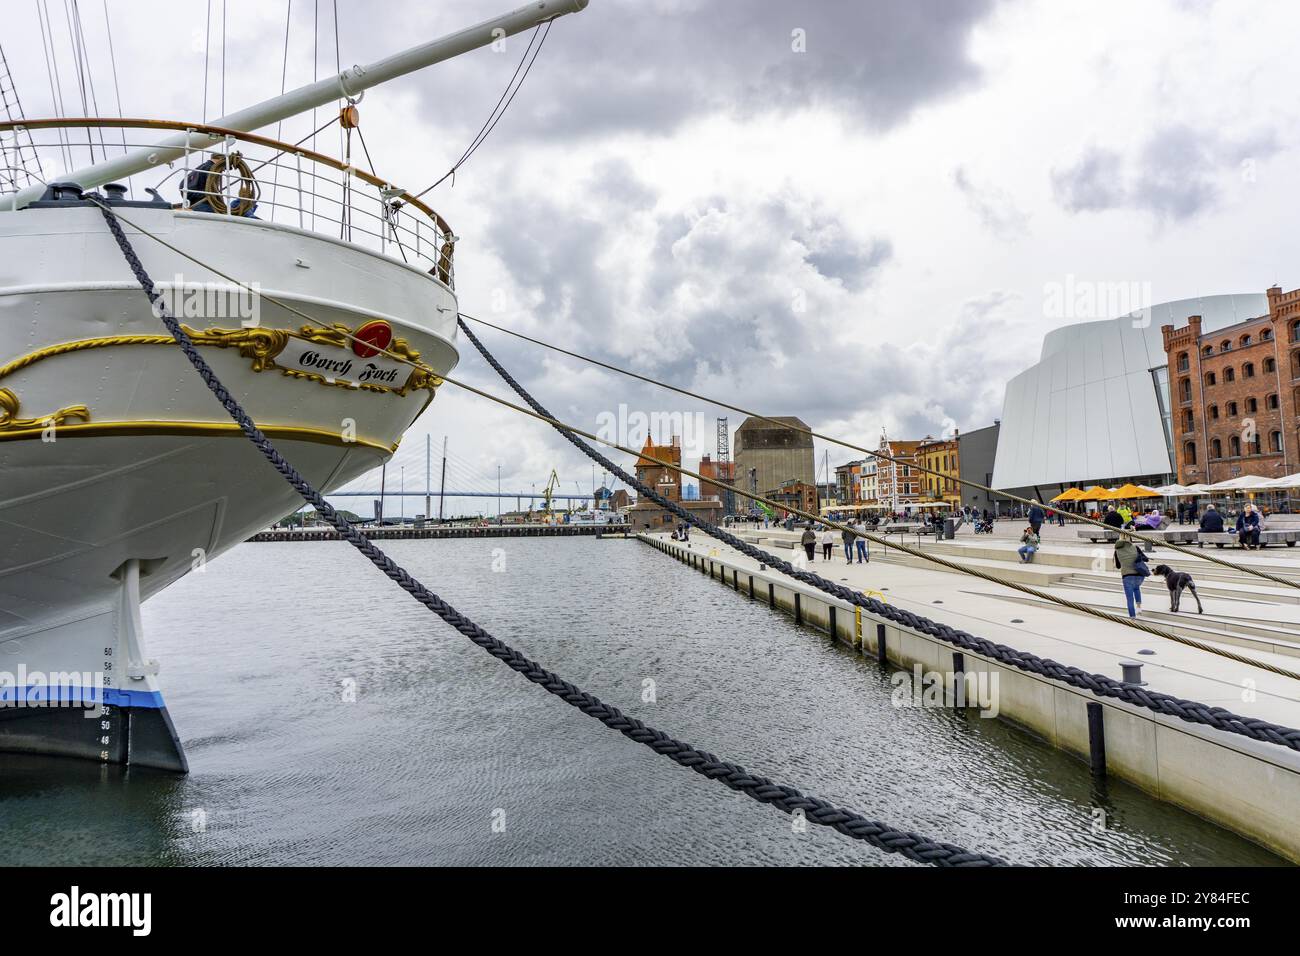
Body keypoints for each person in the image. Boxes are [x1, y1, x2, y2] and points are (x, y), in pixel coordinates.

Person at [1114, 537, 1150, 618]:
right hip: (1139, 576)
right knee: (1136, 588)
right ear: (1130, 540)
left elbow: (1118, 566)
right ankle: (1139, 607)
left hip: (1127, 576)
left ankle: (1132, 619)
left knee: (1130, 599)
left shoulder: (1117, 551)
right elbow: (1146, 559)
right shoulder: (1135, 547)